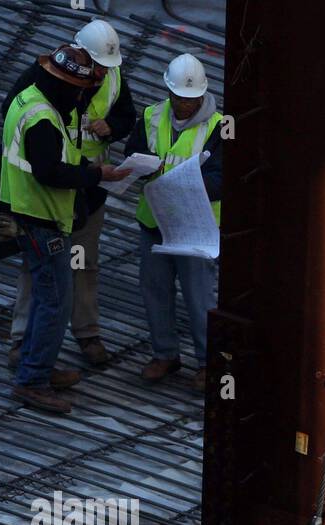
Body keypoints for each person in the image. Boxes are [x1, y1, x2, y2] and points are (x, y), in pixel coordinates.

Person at [0, 44, 132, 415]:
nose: (80, 96)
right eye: (77, 89)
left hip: (29, 215)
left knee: (47, 299)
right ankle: (32, 380)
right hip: (42, 220)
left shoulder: (28, 98)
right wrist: (95, 174)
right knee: (55, 303)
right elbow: (49, 172)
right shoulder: (43, 117)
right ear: (63, 84)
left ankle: (36, 365)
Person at [126, 53, 223, 391]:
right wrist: (143, 168)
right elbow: (134, 152)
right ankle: (165, 354)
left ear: (201, 95)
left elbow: (222, 177)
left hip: (194, 227)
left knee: (200, 298)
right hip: (153, 222)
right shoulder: (152, 116)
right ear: (168, 92)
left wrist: (187, 186)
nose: (183, 104)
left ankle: (207, 363)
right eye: (177, 97)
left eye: (189, 99)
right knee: (155, 291)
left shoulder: (219, 127)